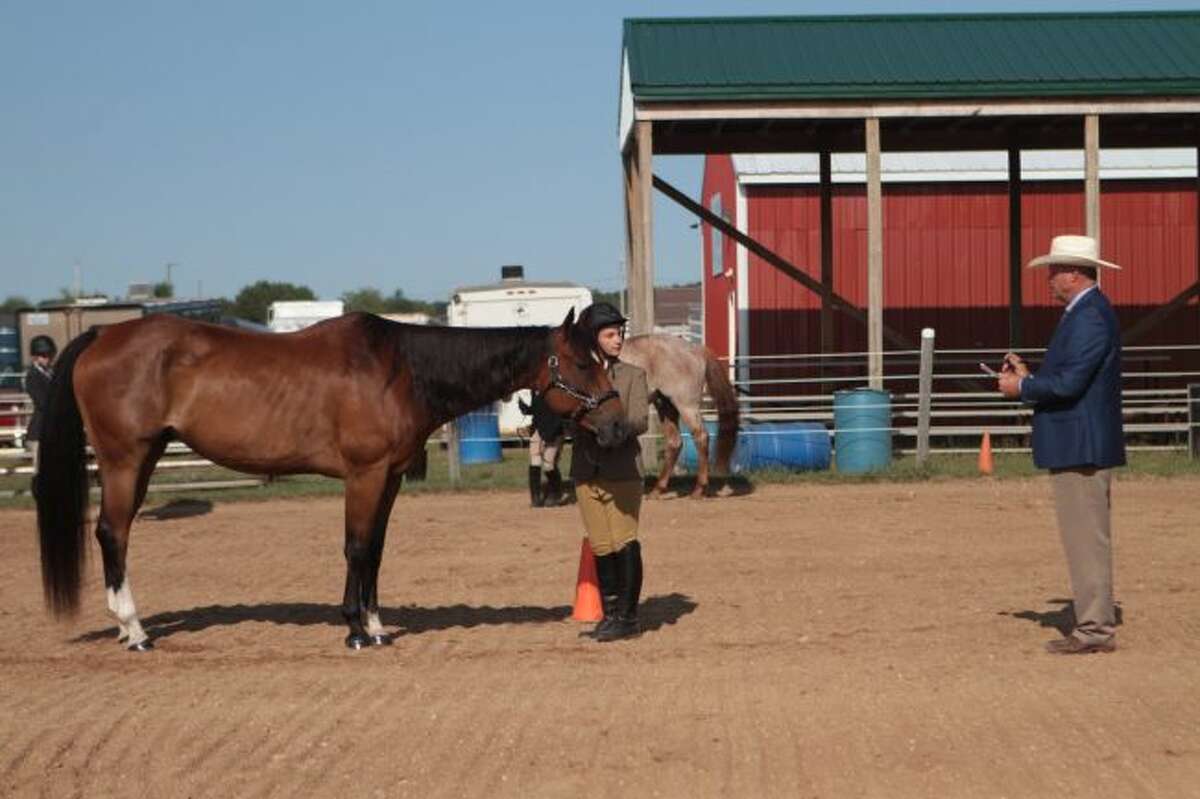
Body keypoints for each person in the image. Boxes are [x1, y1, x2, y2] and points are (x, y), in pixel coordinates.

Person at [997, 234, 1125, 655]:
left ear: (1073, 274)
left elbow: (1071, 383)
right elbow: (1073, 377)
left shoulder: (1088, 317)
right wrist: (1030, 375)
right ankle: (1093, 623)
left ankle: (1094, 629)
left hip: (1080, 445)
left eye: (1055, 271)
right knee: (1085, 537)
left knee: (1085, 539)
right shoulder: (1087, 313)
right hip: (1079, 441)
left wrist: (1024, 386)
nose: (1050, 279)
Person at [569, 302, 649, 642]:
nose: (618, 340)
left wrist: (615, 431)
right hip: (586, 469)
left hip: (623, 469)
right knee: (601, 546)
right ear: (594, 339)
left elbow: (641, 419)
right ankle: (610, 614)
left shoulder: (632, 376)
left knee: (624, 541)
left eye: (620, 334)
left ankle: (628, 618)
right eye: (610, 334)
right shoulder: (577, 378)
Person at [518, 390, 569, 508]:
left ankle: (556, 494)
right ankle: (535, 497)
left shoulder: (556, 388)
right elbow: (538, 409)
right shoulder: (535, 390)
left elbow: (561, 412)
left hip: (554, 430)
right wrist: (526, 409)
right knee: (535, 461)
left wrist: (552, 432)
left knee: (548, 465)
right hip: (538, 429)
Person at [23, 335, 57, 489]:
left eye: (49, 355)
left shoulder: (50, 373)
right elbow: (42, 402)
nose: (48, 359)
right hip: (39, 430)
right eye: (44, 356)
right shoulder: (32, 376)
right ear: (35, 357)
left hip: (52, 428)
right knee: (41, 470)